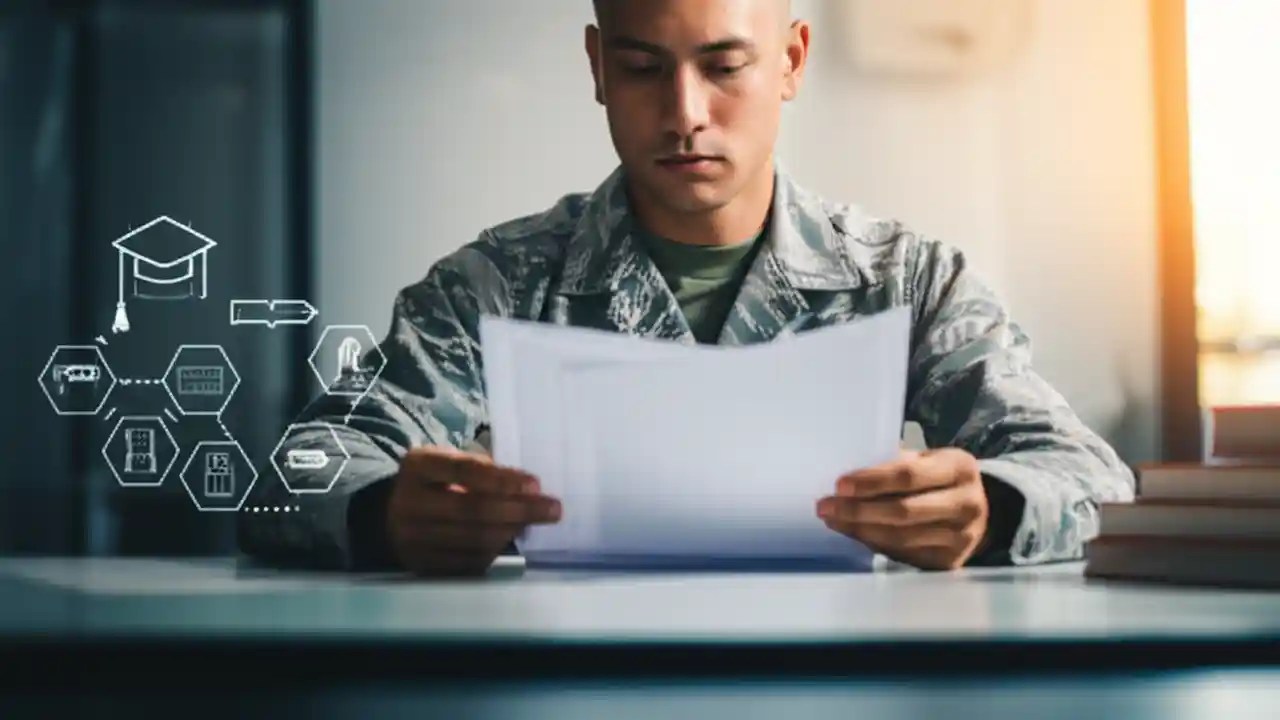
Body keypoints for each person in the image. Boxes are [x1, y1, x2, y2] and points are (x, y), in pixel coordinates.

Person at [238, 0, 1134, 576]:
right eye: (641, 69)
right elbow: (288, 475)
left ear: (791, 60)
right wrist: (385, 514)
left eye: (725, 66)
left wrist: (990, 509)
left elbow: (1095, 478)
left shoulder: (908, 279)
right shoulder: (494, 286)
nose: (684, 113)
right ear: (596, 66)